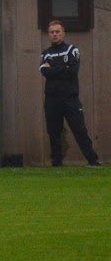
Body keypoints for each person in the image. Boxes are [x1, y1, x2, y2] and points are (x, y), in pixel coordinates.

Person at [39, 20, 102, 167]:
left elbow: (72, 71)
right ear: (49, 34)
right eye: (52, 32)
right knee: (53, 131)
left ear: (63, 33)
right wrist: (62, 68)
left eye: (57, 31)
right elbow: (44, 71)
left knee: (79, 128)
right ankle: (57, 161)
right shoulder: (45, 53)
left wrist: (53, 69)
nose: (54, 34)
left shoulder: (72, 50)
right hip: (52, 99)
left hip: (70, 98)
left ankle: (93, 160)